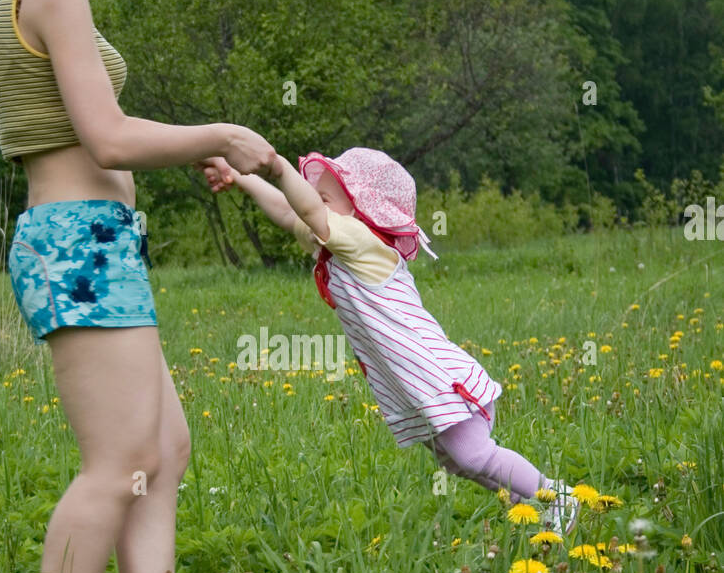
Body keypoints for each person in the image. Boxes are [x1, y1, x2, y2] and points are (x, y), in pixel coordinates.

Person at [0, 0, 274, 573]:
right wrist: (220, 133)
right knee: (119, 461)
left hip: (89, 240)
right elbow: (104, 137)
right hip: (79, 241)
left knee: (162, 450)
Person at [203, 147, 579, 532]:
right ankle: (525, 502)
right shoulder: (338, 244)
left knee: (471, 456)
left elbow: (306, 211)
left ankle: (555, 496)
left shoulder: (364, 244)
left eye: (324, 197)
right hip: (414, 382)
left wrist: (278, 167)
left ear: (362, 210)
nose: (313, 204)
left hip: (437, 377)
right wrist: (240, 177)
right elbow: (288, 212)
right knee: (455, 461)